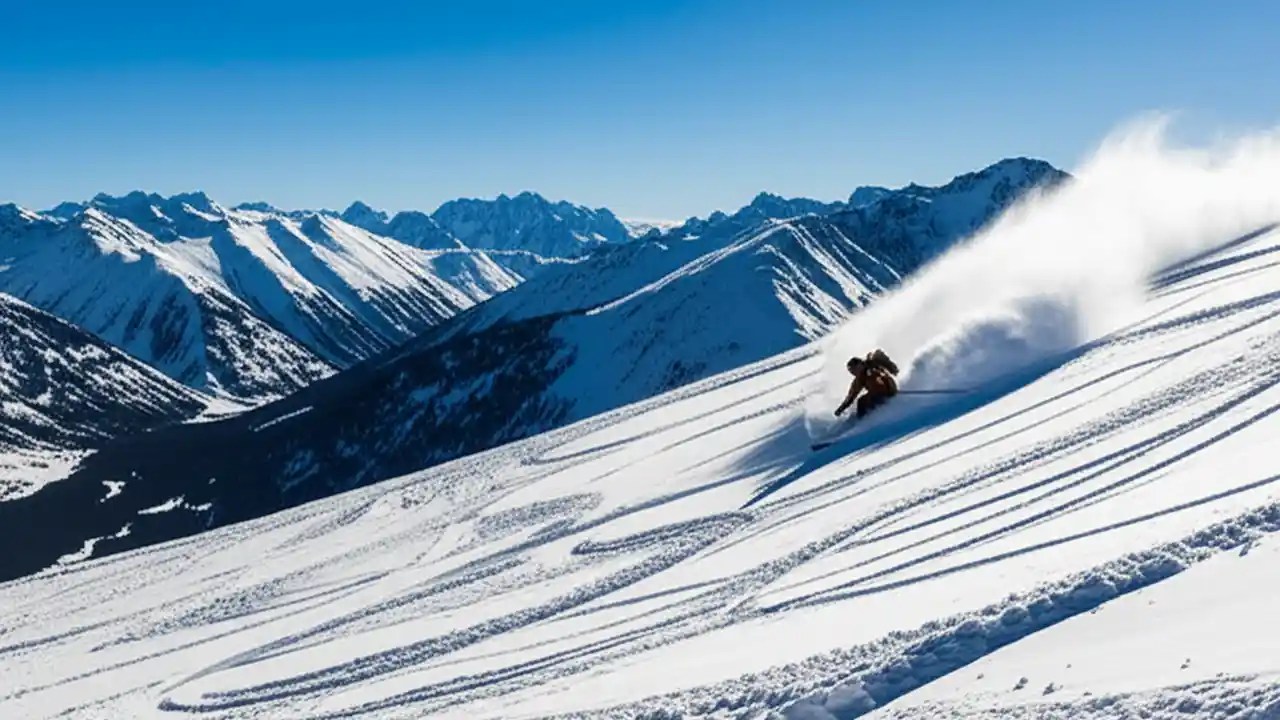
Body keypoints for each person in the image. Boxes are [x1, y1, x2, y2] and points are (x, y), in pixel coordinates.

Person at [834, 349, 899, 419]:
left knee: (863, 400)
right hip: (877, 393)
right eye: (850, 371)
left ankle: (868, 417)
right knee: (861, 401)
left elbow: (882, 375)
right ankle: (862, 418)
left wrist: (889, 387)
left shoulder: (872, 367)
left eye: (853, 369)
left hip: (886, 389)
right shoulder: (859, 379)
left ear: (860, 365)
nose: (852, 373)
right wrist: (841, 409)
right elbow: (851, 395)